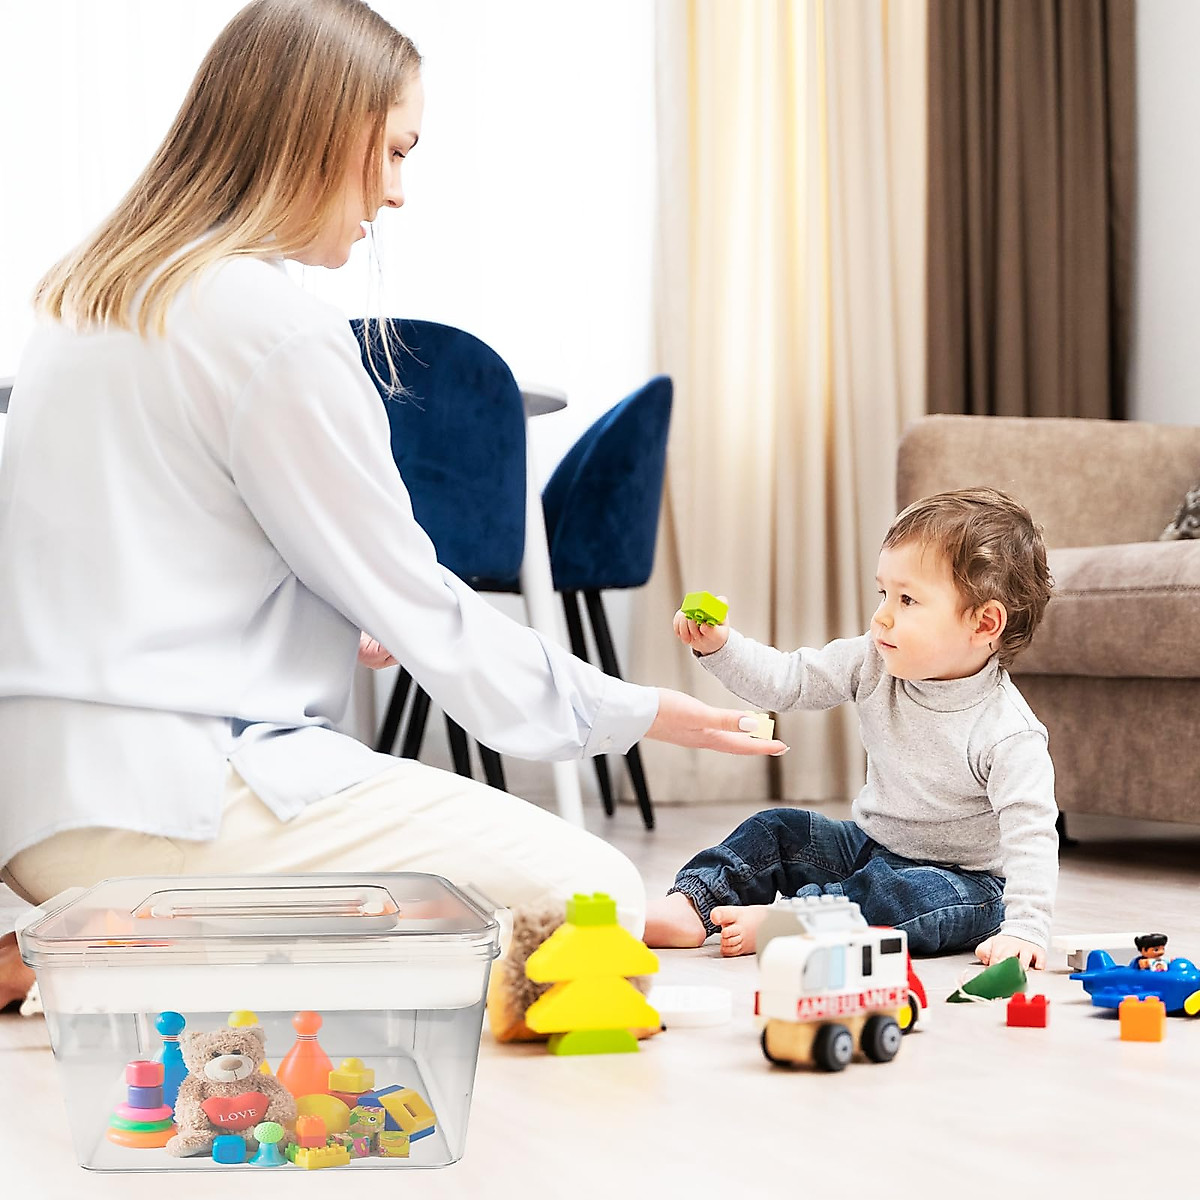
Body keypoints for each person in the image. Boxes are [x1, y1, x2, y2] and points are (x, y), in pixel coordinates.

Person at [0, 0, 787, 1008]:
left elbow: (155, 562)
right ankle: (123, 941)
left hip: (33, 809)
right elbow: (425, 607)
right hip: (169, 799)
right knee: (588, 893)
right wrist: (639, 709)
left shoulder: (85, 301)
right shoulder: (269, 326)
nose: (398, 192)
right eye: (396, 151)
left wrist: (340, 605)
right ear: (324, 130)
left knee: (503, 909)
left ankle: (92, 929)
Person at [644, 487, 1058, 970]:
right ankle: (693, 904)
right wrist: (721, 647)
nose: (882, 614)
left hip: (963, 884)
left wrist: (1026, 930)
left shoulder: (1009, 733)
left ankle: (799, 921)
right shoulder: (872, 660)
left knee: (901, 896)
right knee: (777, 828)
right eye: (884, 593)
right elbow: (789, 681)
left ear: (984, 623)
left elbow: (1030, 835)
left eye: (907, 599)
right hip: (870, 846)